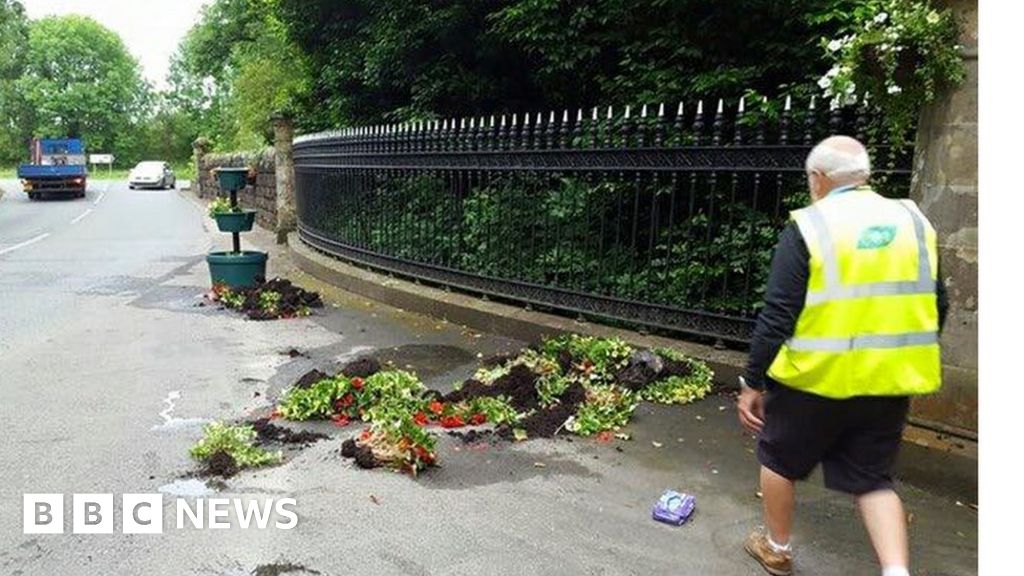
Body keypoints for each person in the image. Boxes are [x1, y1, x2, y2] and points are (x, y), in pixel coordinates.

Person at [737, 135, 948, 576]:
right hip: (888, 379)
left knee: (778, 460)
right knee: (873, 480)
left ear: (819, 178)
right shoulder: (913, 221)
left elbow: (778, 313)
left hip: (814, 379)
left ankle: (776, 548)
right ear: (864, 176)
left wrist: (752, 381)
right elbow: (937, 304)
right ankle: (896, 572)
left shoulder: (812, 225)